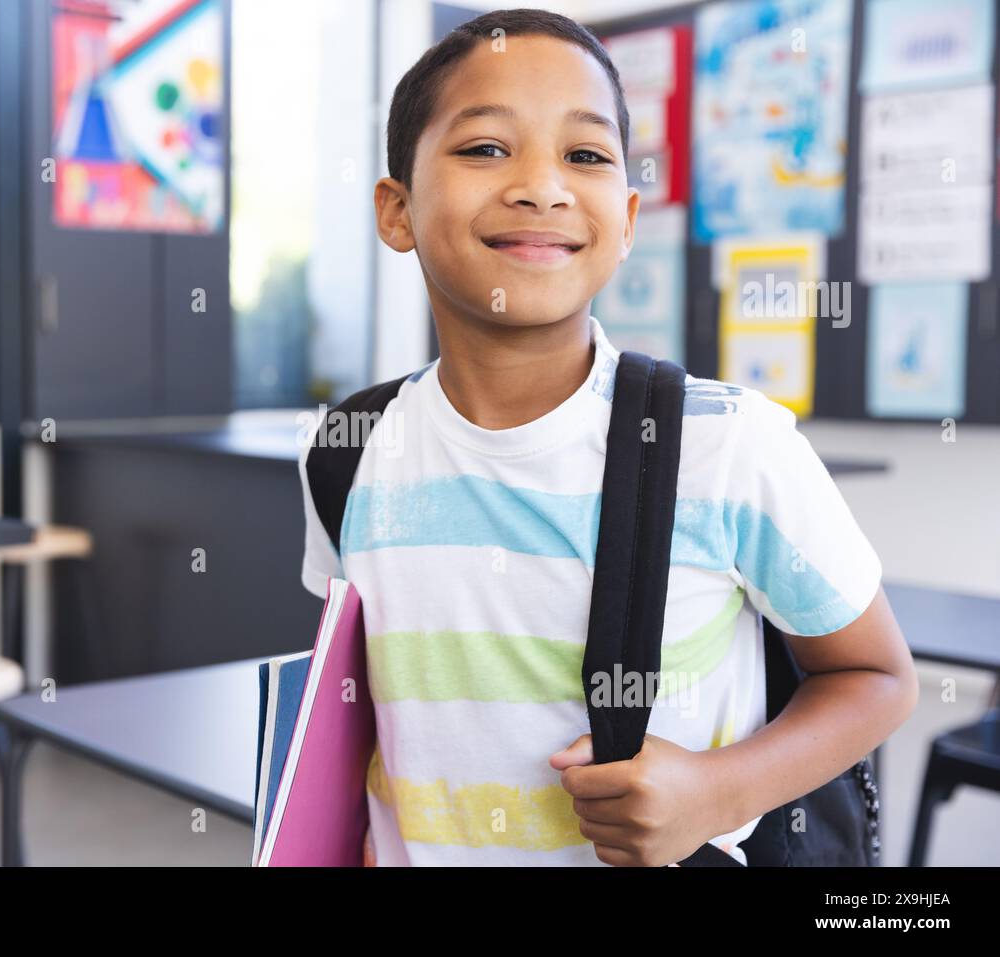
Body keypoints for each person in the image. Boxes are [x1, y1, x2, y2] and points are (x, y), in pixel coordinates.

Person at [297, 8, 917, 866]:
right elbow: (362, 704)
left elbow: (878, 678)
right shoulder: (351, 448)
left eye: (584, 155)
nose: (541, 187)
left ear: (624, 220)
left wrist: (714, 791)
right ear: (396, 211)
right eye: (485, 148)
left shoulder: (727, 446)